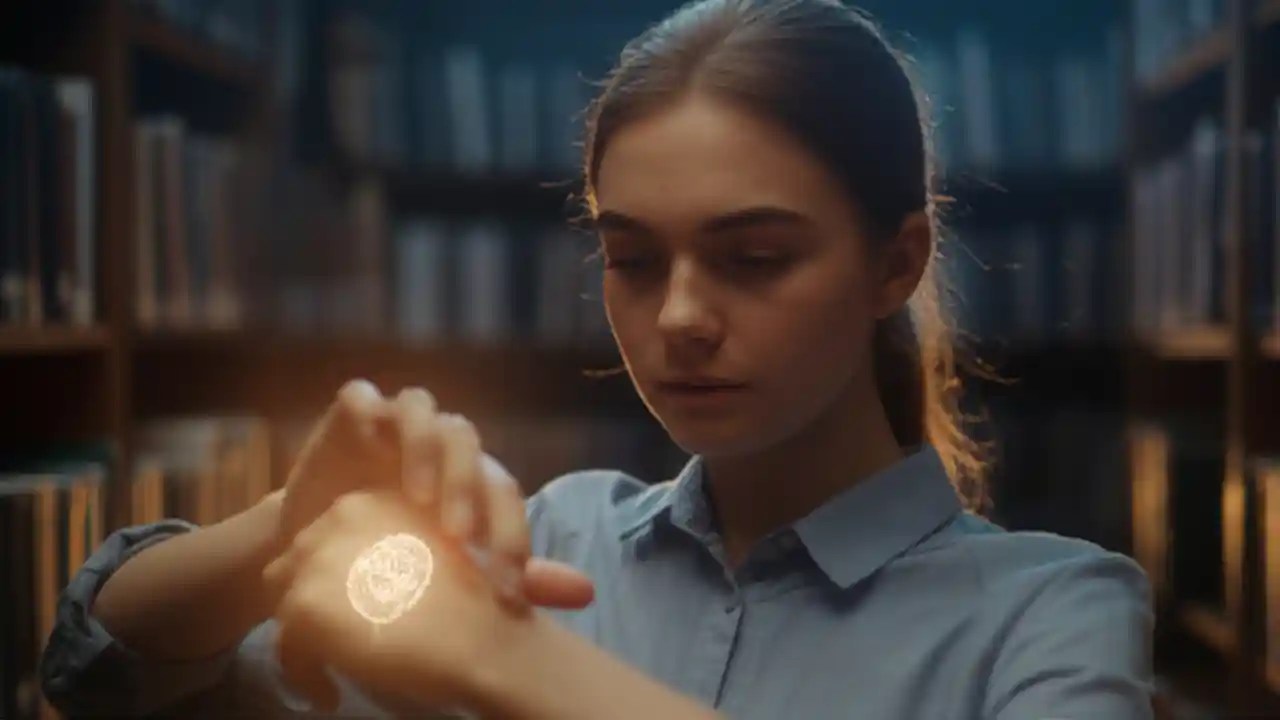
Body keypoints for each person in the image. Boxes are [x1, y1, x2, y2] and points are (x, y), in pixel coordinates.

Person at [41, 1, 1154, 718]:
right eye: (629, 258)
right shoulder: (555, 540)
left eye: (753, 256)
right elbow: (101, 675)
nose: (677, 317)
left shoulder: (1050, 613)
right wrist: (291, 521)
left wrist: (505, 666)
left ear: (893, 263)